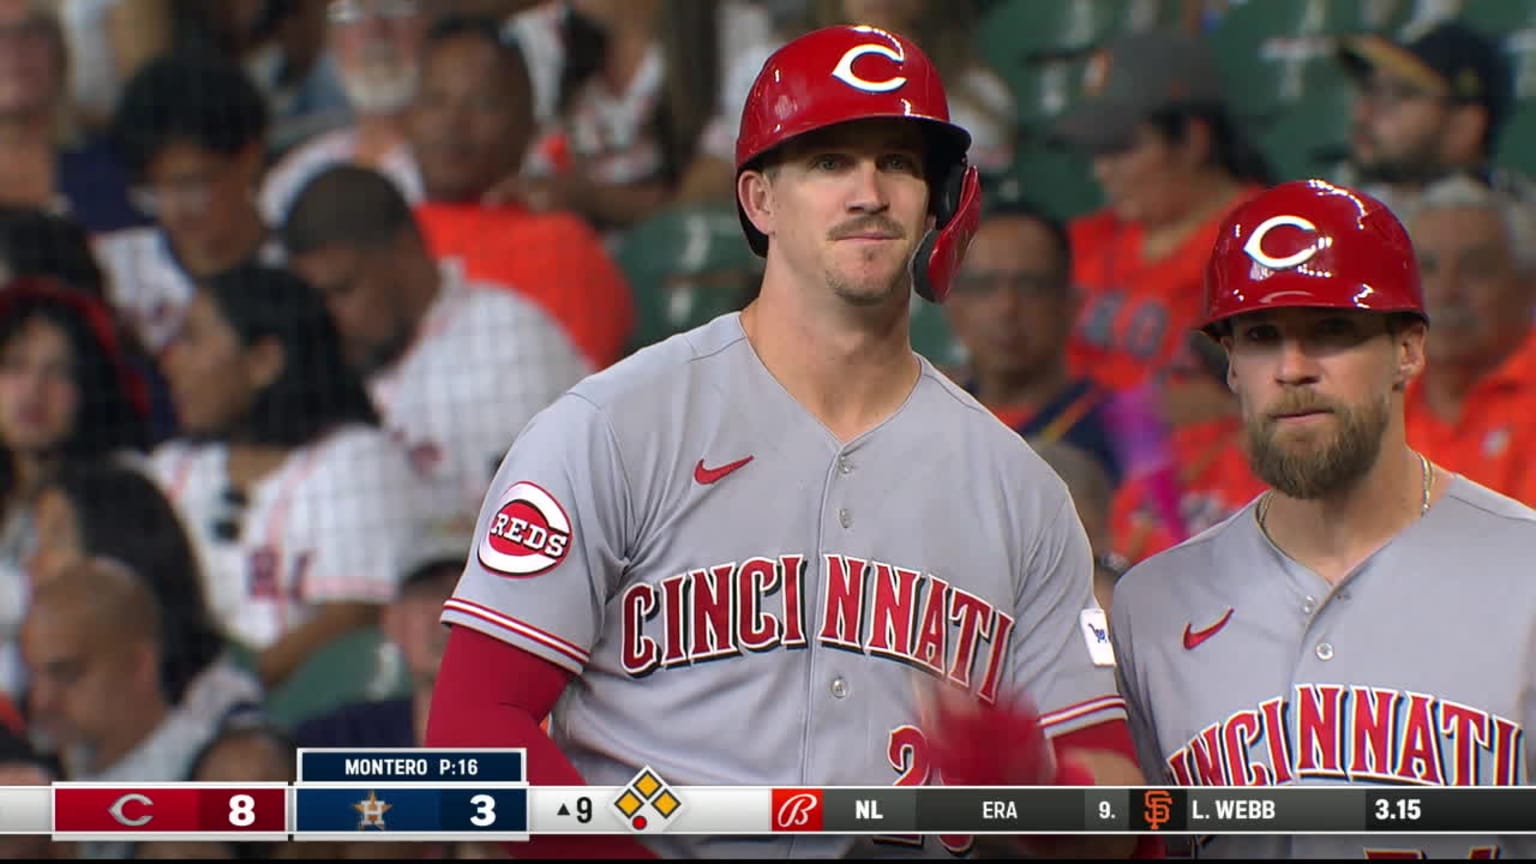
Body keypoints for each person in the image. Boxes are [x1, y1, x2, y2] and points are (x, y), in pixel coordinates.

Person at [427, 24, 1144, 860]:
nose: (869, 192)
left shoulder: (1023, 492)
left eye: (899, 163)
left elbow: (1119, 807)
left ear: (938, 202)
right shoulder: (612, 428)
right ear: (759, 199)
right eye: (830, 162)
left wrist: (1043, 787)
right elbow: (472, 731)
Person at [1110, 179, 1536, 859]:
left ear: (1408, 350)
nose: (1293, 368)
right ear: (1231, 366)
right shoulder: (1153, 606)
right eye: (1261, 337)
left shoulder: (1524, 573)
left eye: (1332, 330)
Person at [150, 264, 425, 690]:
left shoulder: (355, 461)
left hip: (321, 710)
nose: (171, 362)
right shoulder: (169, 470)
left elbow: (352, 619)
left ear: (264, 361)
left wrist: (224, 694)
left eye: (192, 339)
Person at [283, 165, 589, 520]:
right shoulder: (331, 361)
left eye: (342, 290)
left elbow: (540, 521)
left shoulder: (506, 341)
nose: (327, 318)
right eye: (314, 300)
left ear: (405, 251)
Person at [1053, 30, 1267, 408]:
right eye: (1097, 151)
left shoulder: (1264, 244)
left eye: (1120, 147)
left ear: (1192, 140)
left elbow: (1262, 397)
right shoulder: (1081, 242)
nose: (1101, 171)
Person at [408, 14, 635, 370]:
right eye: (435, 100)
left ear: (529, 125)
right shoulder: (380, 237)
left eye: (483, 103)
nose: (453, 123)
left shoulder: (560, 249)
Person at [28, 459, 265, 739]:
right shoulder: (36, 696)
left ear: (117, 549)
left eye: (55, 540)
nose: (33, 564)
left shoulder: (219, 707)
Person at [0, 277, 147, 700]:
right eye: (14, 366)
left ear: (88, 389)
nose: (33, 391)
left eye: (59, 372)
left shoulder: (122, 489)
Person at [97, 51, 280, 354]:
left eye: (191, 186)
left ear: (249, 160)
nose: (174, 211)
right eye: (154, 191)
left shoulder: (303, 266)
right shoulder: (110, 274)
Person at [945, 200, 1119, 484]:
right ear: (954, 309)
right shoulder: (927, 422)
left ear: (1071, 306)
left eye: (1030, 286)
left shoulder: (1121, 432)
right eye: (984, 286)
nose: (1006, 307)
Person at [1403, 174, 1536, 505]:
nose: (1446, 292)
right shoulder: (1375, 403)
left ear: (1526, 286)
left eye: (1476, 270)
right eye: (1427, 269)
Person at [258, 0, 430, 225]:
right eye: (352, 11)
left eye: (395, 6)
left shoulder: (457, 170)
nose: (375, 31)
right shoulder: (298, 174)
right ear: (329, 38)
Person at [296, 523, 467, 748]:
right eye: (431, 593)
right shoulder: (342, 740)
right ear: (393, 620)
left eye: (471, 594)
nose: (451, 614)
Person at [1337, 19, 1527, 217]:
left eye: (1398, 94)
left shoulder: (1475, 218)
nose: (1362, 112)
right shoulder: (1378, 200)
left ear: (1464, 126)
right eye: (1370, 89)